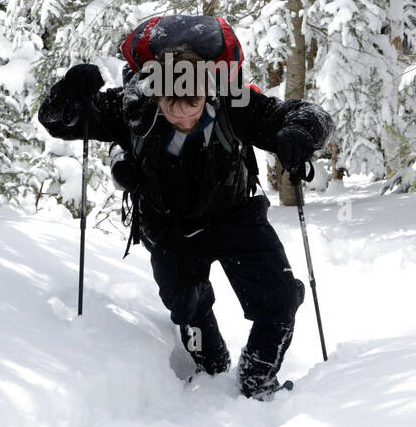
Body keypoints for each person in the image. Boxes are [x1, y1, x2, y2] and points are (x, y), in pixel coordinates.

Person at [37, 42, 334, 400]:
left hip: (236, 215)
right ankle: (212, 371)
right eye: (171, 108)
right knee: (188, 305)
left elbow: (306, 113)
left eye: (192, 107)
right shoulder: (132, 106)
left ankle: (257, 380)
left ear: (206, 91)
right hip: (170, 227)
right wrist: (69, 92)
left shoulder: (233, 99)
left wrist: (300, 132)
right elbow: (57, 121)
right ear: (156, 94)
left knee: (281, 298)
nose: (183, 119)